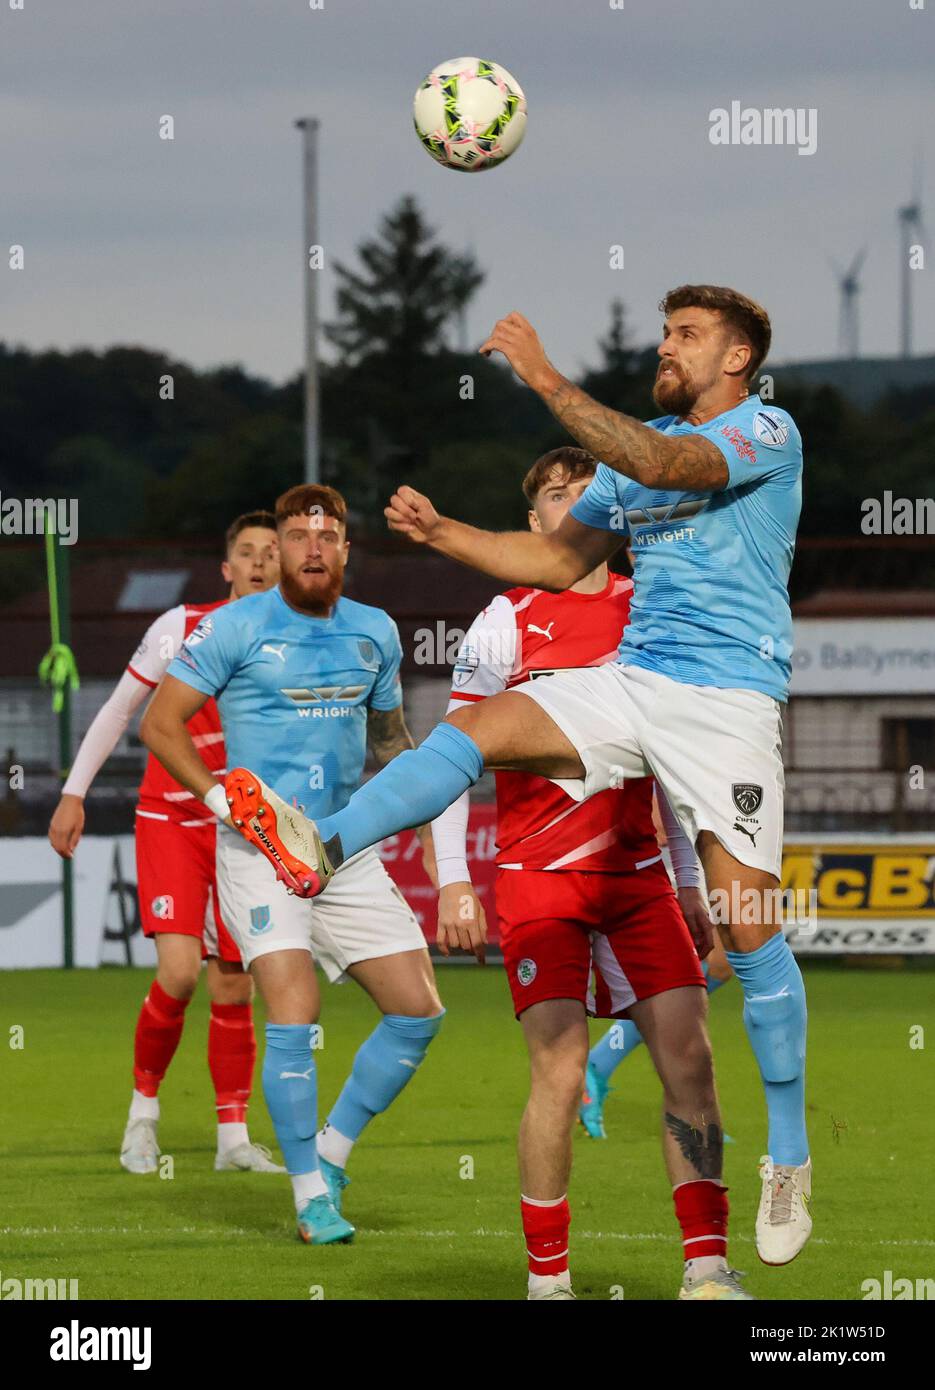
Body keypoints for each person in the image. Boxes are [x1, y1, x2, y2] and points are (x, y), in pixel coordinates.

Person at [224, 284, 812, 1268]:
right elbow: (549, 554)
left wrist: (541, 376)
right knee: (486, 726)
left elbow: (664, 460)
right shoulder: (642, 448)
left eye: (688, 334)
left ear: (738, 359)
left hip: (726, 704)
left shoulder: (764, 431)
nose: (667, 345)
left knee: (749, 931)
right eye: (665, 330)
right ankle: (318, 844)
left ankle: (786, 1156)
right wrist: (442, 531)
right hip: (637, 679)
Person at [431, 445, 746, 1300]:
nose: (571, 506)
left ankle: (707, 1268)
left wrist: (688, 876)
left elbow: (674, 761)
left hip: (639, 875)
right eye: (553, 498)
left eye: (586, 493)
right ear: (532, 526)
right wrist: (452, 875)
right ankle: (548, 1282)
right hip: (538, 878)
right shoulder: (506, 618)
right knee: (560, 1072)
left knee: (691, 1063)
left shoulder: (656, 613)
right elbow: (451, 754)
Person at [138, 484, 447, 1247]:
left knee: (417, 1010)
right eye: (298, 535)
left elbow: (390, 743)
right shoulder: (232, 627)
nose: (313, 546)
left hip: (342, 845)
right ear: (275, 549)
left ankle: (332, 1154)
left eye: (327, 534)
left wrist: (435, 804)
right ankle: (311, 1197)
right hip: (258, 853)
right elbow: (158, 722)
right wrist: (220, 804)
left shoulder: (375, 632)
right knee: (294, 1013)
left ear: (345, 548)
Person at [48, 511, 282, 1176]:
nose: (262, 561)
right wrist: (74, 792)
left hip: (245, 832)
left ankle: (232, 1140)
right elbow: (121, 710)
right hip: (173, 818)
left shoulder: (298, 639)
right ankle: (141, 1118)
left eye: (273, 551)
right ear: (226, 567)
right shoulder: (180, 625)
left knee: (235, 985)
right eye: (248, 551)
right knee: (180, 973)